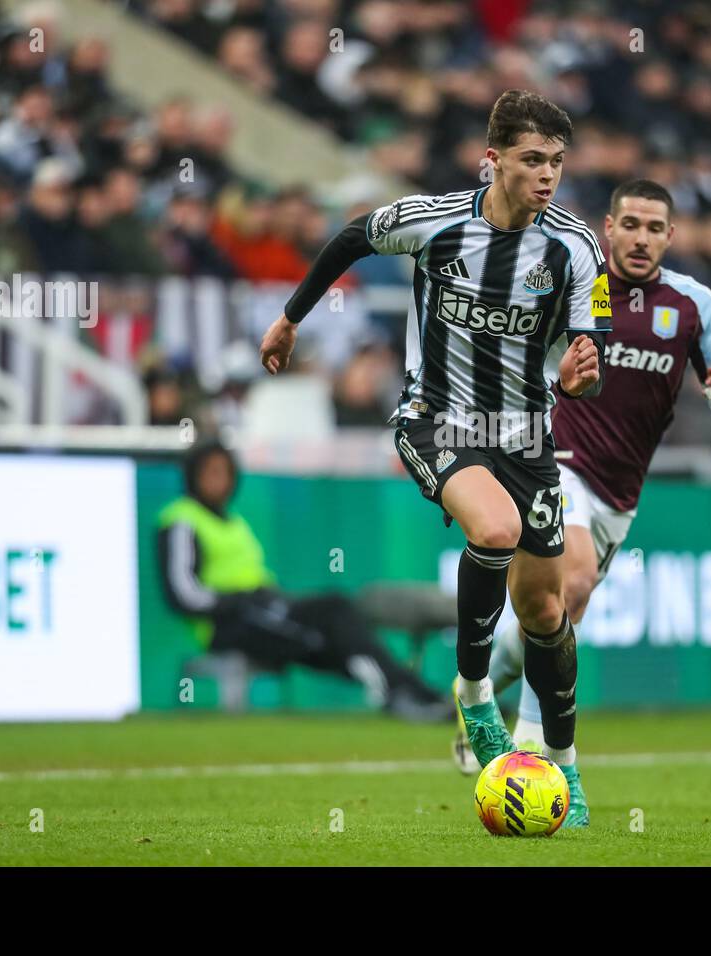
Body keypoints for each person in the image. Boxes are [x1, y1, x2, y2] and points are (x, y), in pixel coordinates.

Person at [259, 90, 609, 826]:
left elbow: (590, 340)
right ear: (494, 160)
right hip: (435, 420)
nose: (547, 175)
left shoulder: (576, 245)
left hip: (527, 436)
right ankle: (475, 692)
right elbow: (352, 238)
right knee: (493, 531)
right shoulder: (434, 220)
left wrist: (586, 366)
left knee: (546, 612)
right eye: (532, 160)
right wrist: (290, 319)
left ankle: (566, 766)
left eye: (556, 162)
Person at [468, 180, 711, 826]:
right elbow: (510, 364)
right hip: (554, 460)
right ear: (609, 228)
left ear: (670, 236)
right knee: (574, 583)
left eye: (655, 227)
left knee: (550, 609)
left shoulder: (692, 302)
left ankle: (476, 696)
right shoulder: (569, 284)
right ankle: (543, 758)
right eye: (631, 225)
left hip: (622, 492)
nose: (642, 238)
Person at [157, 439, 449, 722]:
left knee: (338, 613)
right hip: (226, 625)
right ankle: (404, 694)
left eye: (225, 472)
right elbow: (183, 594)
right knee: (333, 630)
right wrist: (238, 601)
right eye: (211, 472)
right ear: (193, 475)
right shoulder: (181, 520)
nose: (219, 481)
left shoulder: (232, 521)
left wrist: (259, 598)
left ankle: (416, 694)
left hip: (260, 609)